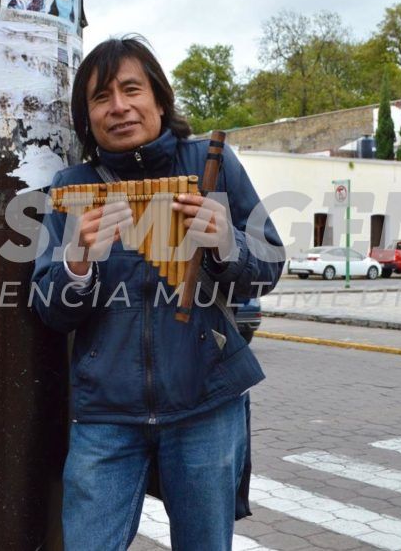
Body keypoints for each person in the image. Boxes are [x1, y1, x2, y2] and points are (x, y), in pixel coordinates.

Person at [32, 36, 285, 551]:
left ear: (159, 100)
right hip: (106, 413)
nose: (119, 107)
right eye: (102, 97)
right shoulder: (71, 186)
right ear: (87, 116)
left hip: (204, 401)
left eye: (132, 90)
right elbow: (50, 312)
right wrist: (77, 263)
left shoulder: (212, 164)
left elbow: (269, 267)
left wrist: (227, 244)